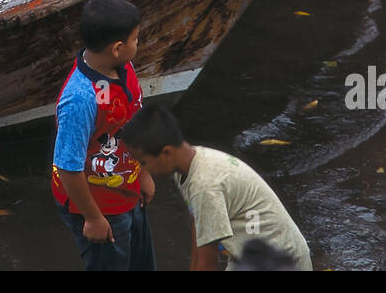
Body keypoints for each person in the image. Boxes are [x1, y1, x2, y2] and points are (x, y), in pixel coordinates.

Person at [120, 104, 313, 271]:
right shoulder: (189, 164)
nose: (142, 169)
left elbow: (208, 262)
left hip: (278, 260)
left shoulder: (205, 186)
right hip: (251, 254)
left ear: (166, 153)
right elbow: (199, 231)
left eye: (142, 162)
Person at [51, 0, 156, 270]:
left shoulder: (123, 67)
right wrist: (93, 218)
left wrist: (143, 174)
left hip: (127, 188)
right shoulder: (80, 99)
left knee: (140, 262)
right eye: (136, 39)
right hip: (98, 206)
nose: (138, 44)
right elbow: (67, 167)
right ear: (117, 48)